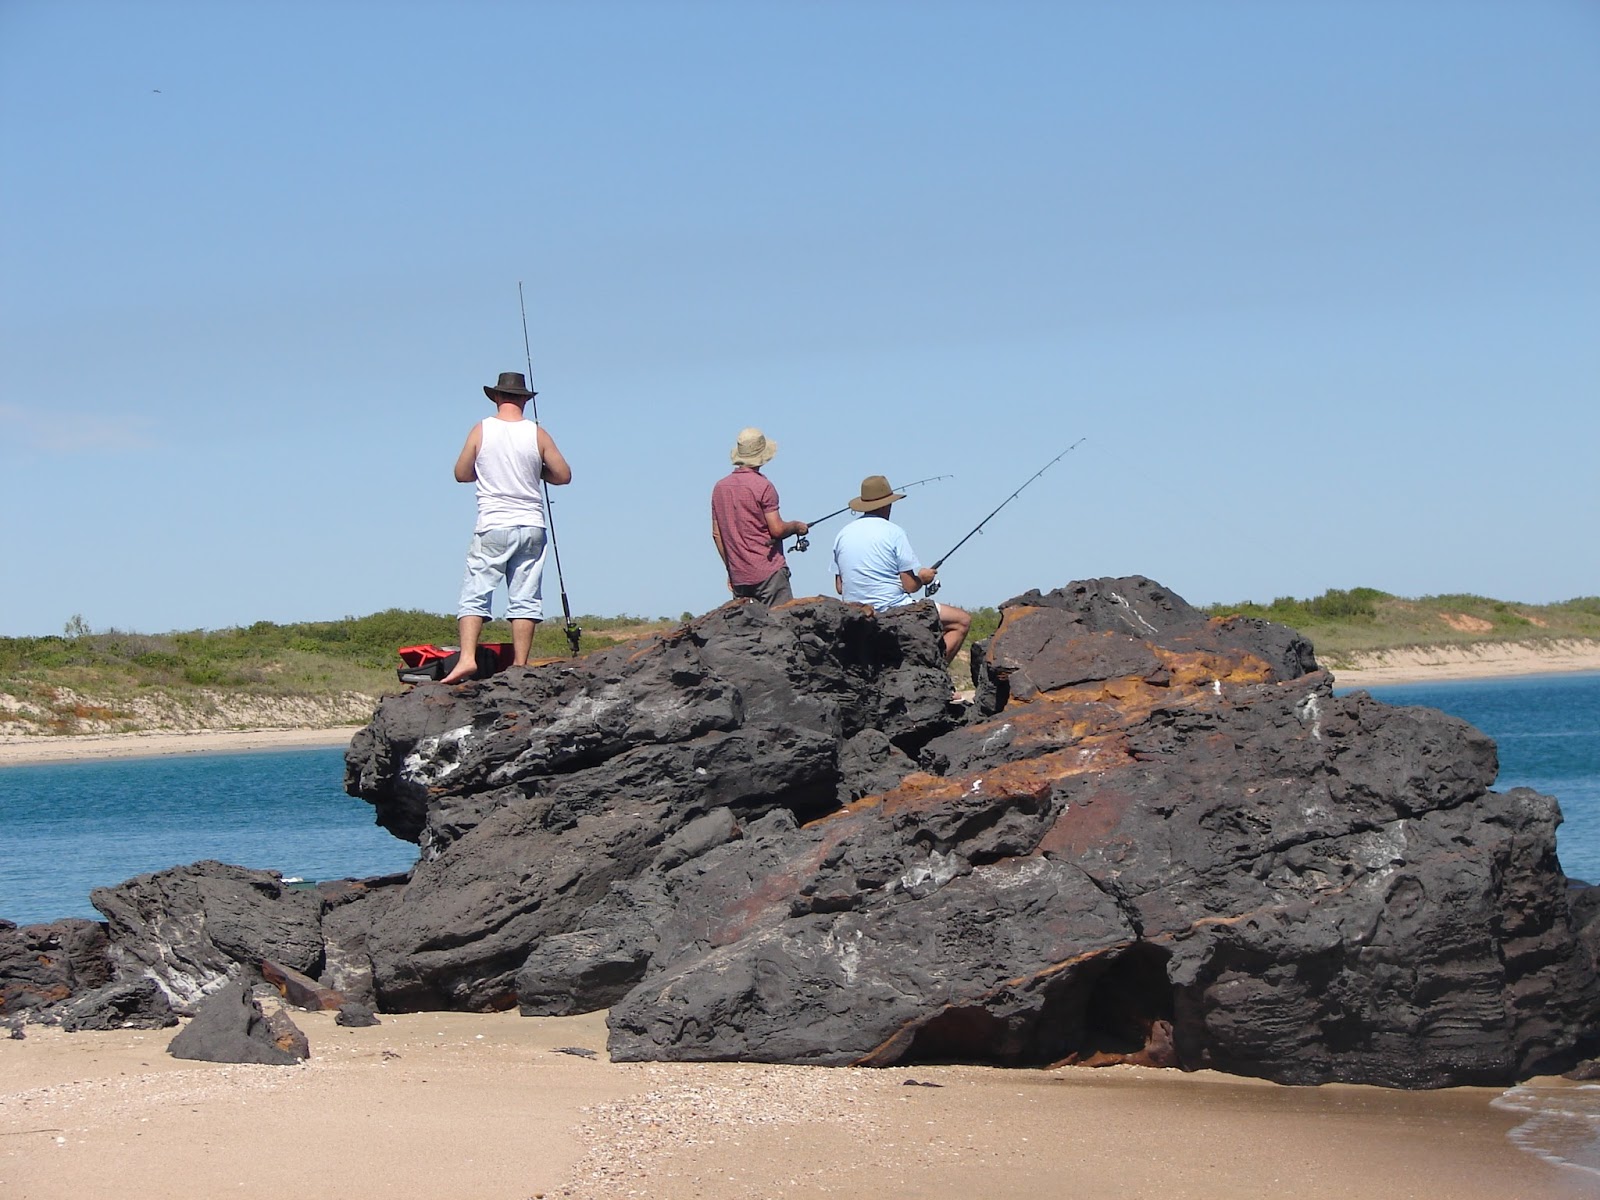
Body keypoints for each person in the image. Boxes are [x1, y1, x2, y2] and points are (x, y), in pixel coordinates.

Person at [439, 371, 572, 685]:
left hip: (494, 524)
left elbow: (461, 473)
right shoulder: (537, 434)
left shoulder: (481, 429)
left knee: (476, 592)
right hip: (532, 525)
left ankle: (468, 658)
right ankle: (520, 665)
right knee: (525, 597)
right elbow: (563, 475)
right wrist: (537, 471)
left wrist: (485, 470)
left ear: (497, 397)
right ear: (524, 400)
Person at [832, 474, 971, 663]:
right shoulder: (894, 532)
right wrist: (923, 578)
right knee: (961, 621)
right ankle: (937, 672)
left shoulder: (842, 534)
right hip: (892, 607)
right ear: (886, 505)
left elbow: (840, 587)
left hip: (854, 611)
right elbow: (910, 586)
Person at [710, 427, 808, 606]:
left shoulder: (719, 488)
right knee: (781, 621)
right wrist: (796, 526)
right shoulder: (763, 486)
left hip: (739, 577)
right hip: (769, 573)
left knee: (748, 623)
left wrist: (731, 569)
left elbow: (717, 534)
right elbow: (777, 530)